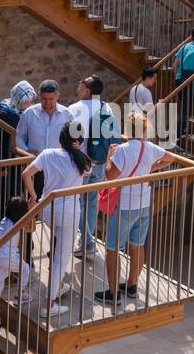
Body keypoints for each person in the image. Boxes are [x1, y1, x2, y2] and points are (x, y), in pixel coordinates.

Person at [96, 111, 175, 305]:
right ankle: (131, 285)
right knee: (137, 245)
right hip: (144, 203)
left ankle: (114, 294)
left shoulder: (122, 150)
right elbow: (170, 158)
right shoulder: (150, 147)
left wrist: (108, 157)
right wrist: (150, 170)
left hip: (124, 205)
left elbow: (110, 176)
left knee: (113, 248)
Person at [21, 123, 91, 320]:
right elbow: (89, 170)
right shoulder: (82, 161)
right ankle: (48, 304)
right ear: (79, 140)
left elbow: (26, 174)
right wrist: (78, 150)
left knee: (56, 245)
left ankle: (57, 286)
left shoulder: (47, 153)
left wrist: (33, 197)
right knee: (61, 258)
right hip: (69, 213)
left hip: (47, 209)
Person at [68, 75, 116, 260]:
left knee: (77, 203)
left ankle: (87, 241)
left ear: (87, 91)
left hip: (81, 163)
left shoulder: (74, 109)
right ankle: (85, 242)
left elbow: (71, 138)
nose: (78, 85)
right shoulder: (107, 107)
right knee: (92, 202)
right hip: (99, 162)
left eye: (81, 83)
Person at [0, 80, 35, 226]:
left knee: (15, 200)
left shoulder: (19, 112)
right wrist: (1, 166)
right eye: (25, 102)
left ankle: (14, 233)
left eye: (29, 102)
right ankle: (2, 233)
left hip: (15, 166)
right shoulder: (3, 114)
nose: (27, 105)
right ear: (17, 98)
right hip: (4, 167)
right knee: (1, 200)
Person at [16, 78, 72, 202]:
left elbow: (74, 140)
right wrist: (26, 151)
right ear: (39, 96)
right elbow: (18, 136)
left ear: (57, 96)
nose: (47, 102)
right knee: (33, 203)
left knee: (55, 202)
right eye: (44, 99)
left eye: (51, 99)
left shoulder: (67, 115)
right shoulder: (29, 113)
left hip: (58, 167)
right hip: (35, 167)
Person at [0, 195, 32, 324]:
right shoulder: (18, 224)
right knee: (25, 269)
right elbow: (30, 229)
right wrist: (32, 211)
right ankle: (20, 294)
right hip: (8, 256)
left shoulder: (4, 221)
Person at [173, 25, 194, 147]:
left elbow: (175, 65)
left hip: (179, 79)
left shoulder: (184, 47)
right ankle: (178, 136)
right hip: (191, 81)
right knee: (186, 110)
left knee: (184, 107)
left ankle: (181, 131)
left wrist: (177, 77)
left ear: (191, 36)